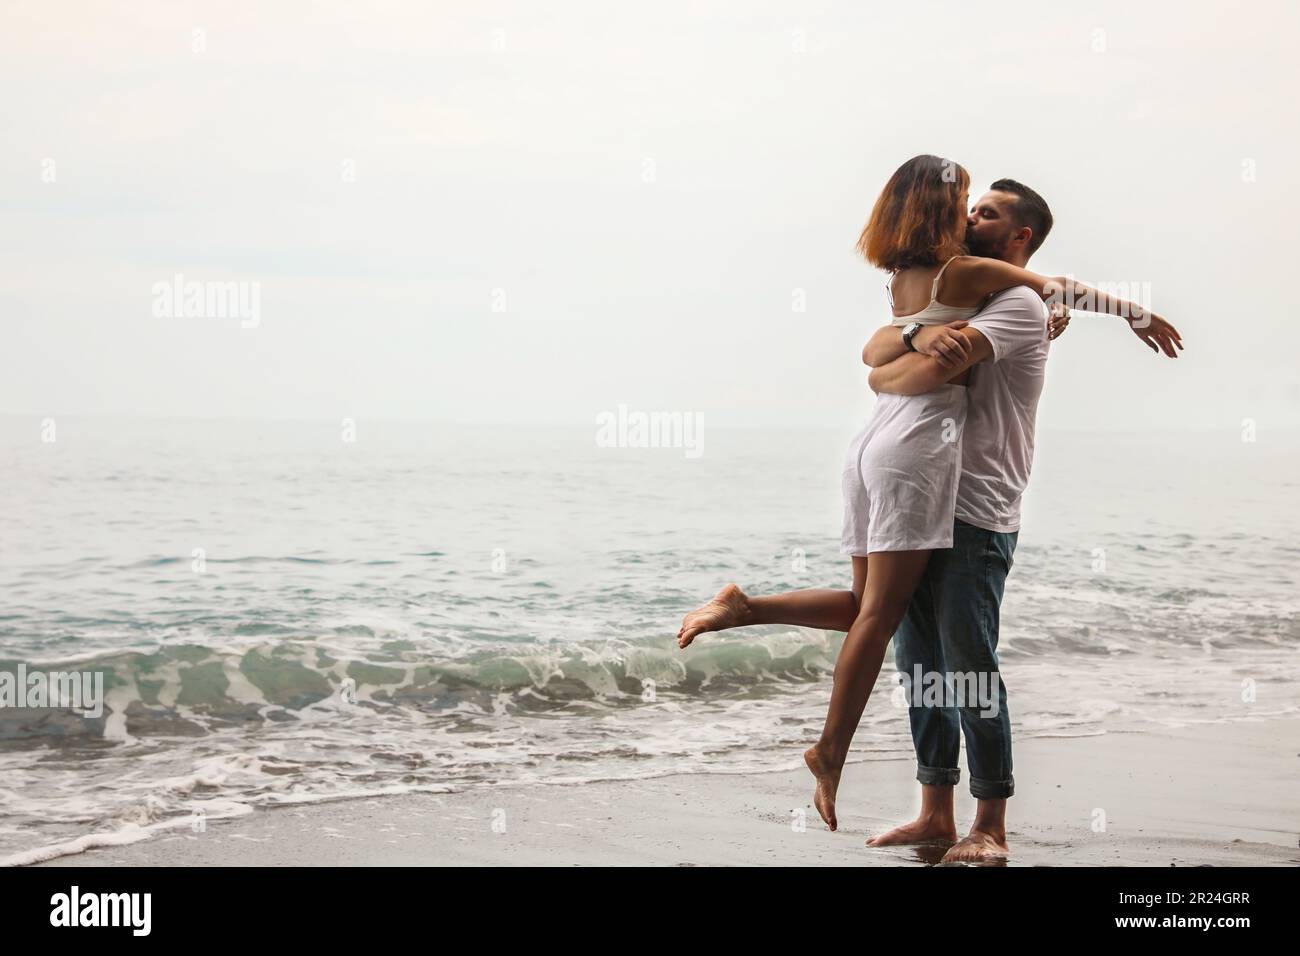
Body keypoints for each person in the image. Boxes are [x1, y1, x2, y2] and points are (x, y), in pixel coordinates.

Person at [675, 155, 1182, 844]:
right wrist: (903, 349)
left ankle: (990, 824)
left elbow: (916, 365)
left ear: (1021, 237)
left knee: (965, 666)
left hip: (973, 500)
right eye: (971, 205)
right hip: (921, 478)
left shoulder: (1013, 302)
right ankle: (935, 812)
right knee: (917, 664)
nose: (973, 215)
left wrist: (900, 359)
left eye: (989, 212)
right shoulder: (971, 286)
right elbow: (882, 353)